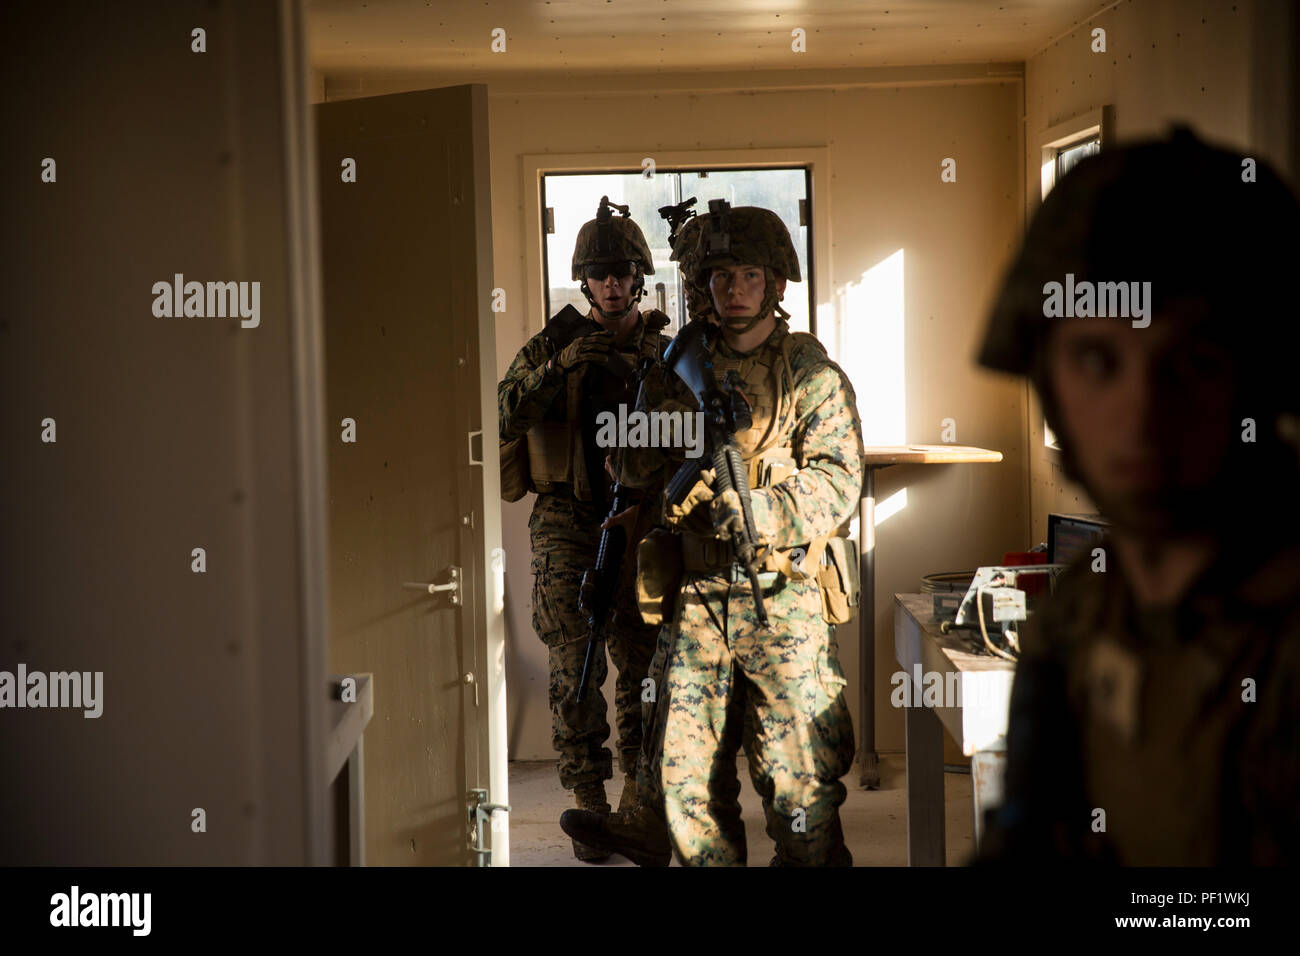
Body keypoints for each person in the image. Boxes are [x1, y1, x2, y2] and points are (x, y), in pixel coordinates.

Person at [973, 125, 1300, 865]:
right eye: (1097, 360)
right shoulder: (1084, 610)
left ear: (1260, 378)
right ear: (1049, 378)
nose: (1143, 418)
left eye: (1194, 363)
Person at [568, 202, 864, 865]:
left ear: (776, 282)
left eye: (750, 275)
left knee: (799, 786)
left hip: (781, 596)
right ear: (703, 283)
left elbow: (840, 480)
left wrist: (762, 509)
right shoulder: (677, 368)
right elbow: (632, 467)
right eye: (721, 277)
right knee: (688, 788)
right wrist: (663, 438)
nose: (734, 291)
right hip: (697, 598)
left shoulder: (808, 372)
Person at [497, 197, 672, 862]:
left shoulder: (664, 350)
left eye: (622, 272)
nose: (612, 284)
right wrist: (560, 368)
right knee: (576, 660)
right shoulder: (553, 345)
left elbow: (700, 431)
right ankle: (589, 800)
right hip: (568, 522)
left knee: (643, 664)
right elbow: (503, 417)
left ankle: (636, 802)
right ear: (584, 280)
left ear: (639, 277)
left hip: (643, 523)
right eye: (600, 274)